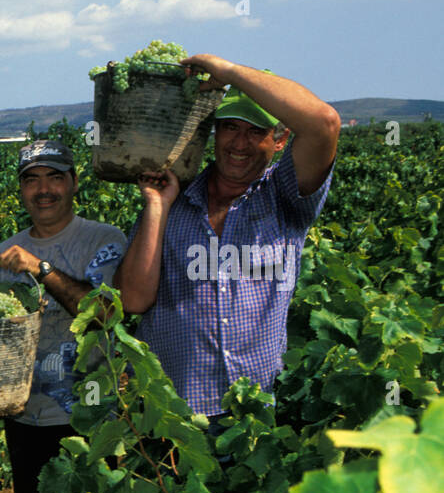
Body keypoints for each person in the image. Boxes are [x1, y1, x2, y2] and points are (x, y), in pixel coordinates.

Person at [114, 55, 341, 418]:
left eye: (256, 131)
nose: (240, 143)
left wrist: (230, 72)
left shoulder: (285, 198)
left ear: (280, 140)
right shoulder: (176, 197)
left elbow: (324, 123)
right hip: (173, 417)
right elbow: (134, 300)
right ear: (214, 133)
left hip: (253, 421)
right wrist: (157, 207)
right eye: (231, 127)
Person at [0, 139, 126, 493]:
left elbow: (102, 314)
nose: (43, 190)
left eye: (54, 178)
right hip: (25, 418)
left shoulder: (105, 240)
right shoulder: (1, 255)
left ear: (74, 183)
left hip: (92, 416)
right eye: (32, 180)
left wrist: (40, 269)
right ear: (21, 188)